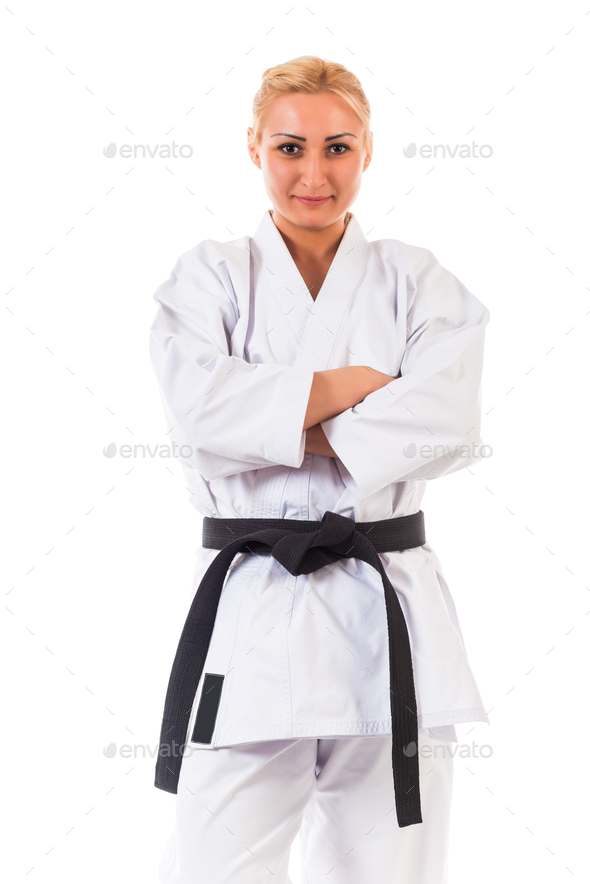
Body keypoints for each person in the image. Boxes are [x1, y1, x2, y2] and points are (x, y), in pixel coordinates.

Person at [149, 54, 491, 884]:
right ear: (254, 149)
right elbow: (201, 416)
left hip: (386, 619)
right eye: (290, 147)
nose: (314, 173)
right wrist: (357, 395)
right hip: (253, 613)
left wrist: (274, 416)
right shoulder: (210, 277)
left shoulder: (417, 282)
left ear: (367, 150)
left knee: (391, 872)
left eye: (337, 147)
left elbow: (445, 427)